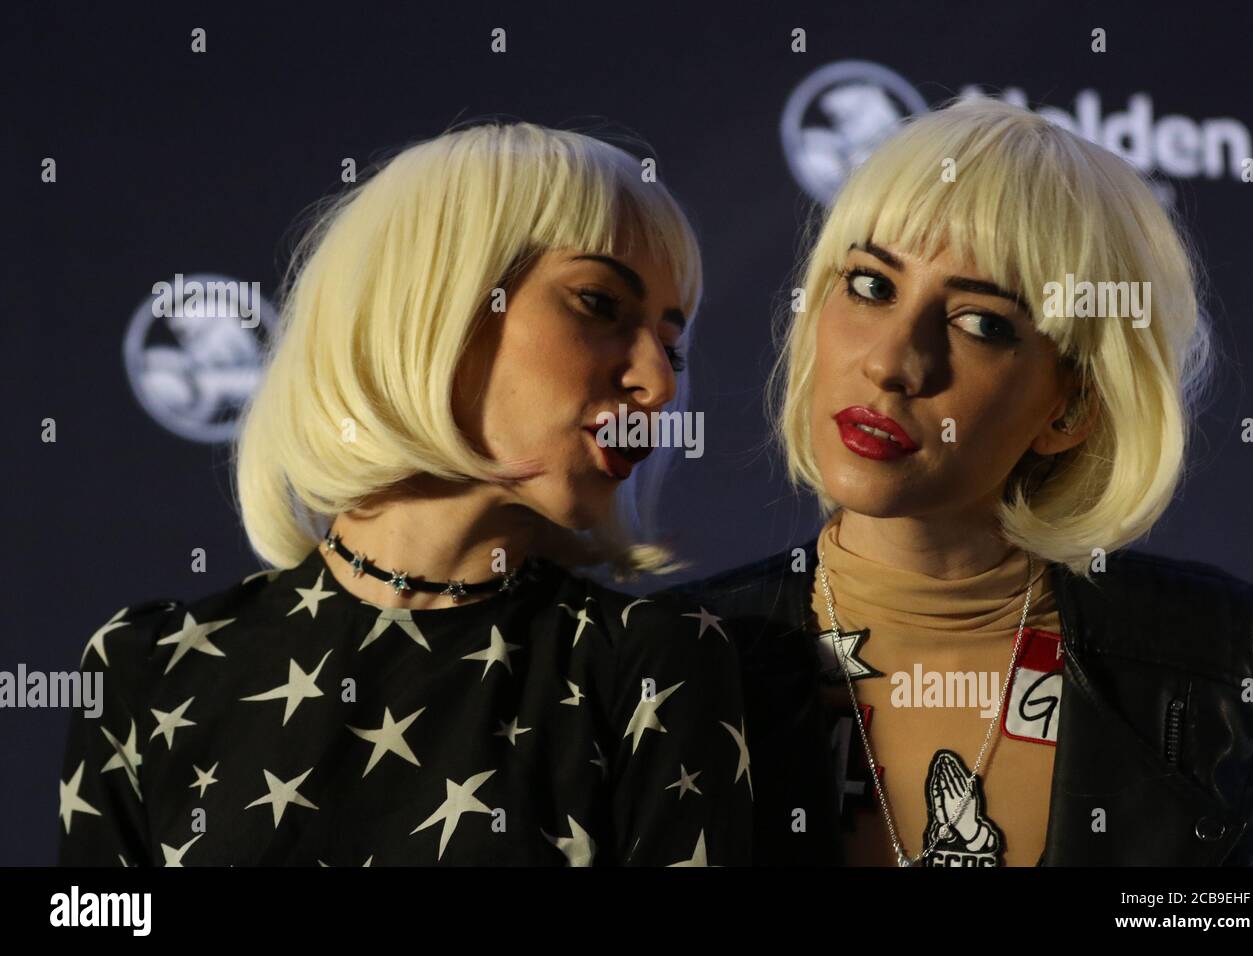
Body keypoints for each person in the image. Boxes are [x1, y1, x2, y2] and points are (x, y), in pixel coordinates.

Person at [57, 122, 752, 867]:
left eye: (672, 343)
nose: (660, 382)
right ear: (435, 302)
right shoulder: (148, 668)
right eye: (599, 303)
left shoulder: (649, 667)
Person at [660, 97, 1253, 867]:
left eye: (982, 324)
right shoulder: (669, 658)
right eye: (870, 286)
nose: (894, 362)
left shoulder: (1212, 656)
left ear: (1073, 407)